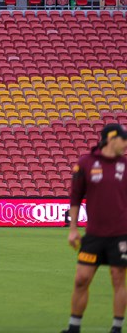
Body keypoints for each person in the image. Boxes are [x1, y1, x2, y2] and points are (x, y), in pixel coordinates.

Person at [64, 123, 127, 333]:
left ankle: (116, 328)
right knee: (81, 279)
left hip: (121, 236)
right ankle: (74, 327)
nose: (126, 144)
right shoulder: (86, 163)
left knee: (119, 279)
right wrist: (73, 229)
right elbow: (75, 198)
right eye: (123, 139)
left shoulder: (125, 165)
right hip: (93, 236)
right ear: (111, 138)